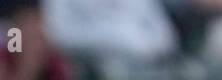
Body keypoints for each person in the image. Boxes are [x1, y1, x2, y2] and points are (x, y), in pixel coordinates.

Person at [43, 0, 179, 61]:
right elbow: (55, 32)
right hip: (84, 67)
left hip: (139, 67)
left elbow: (166, 38)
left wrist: (136, 44)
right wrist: (117, 38)